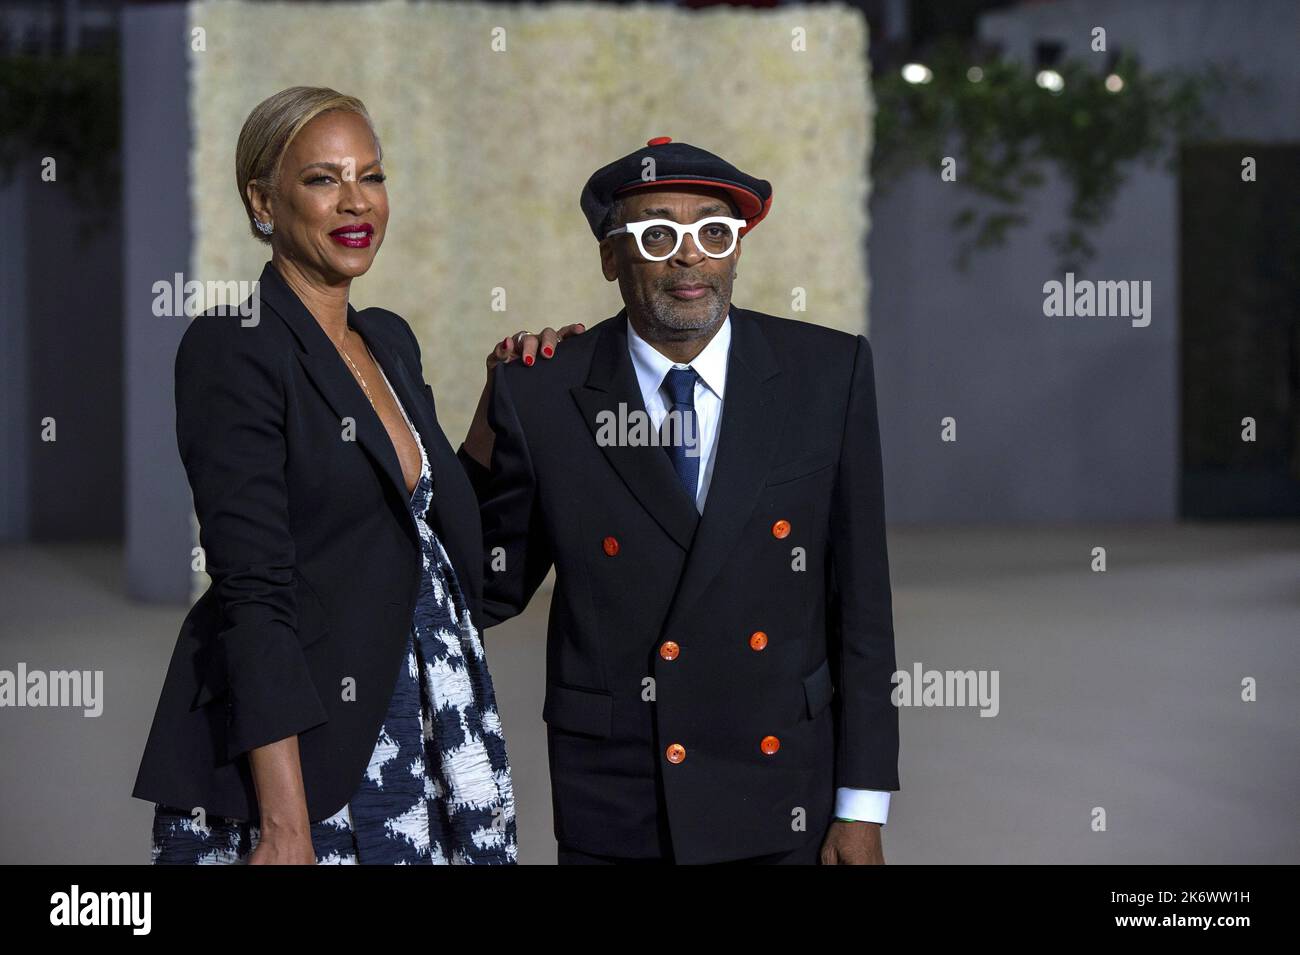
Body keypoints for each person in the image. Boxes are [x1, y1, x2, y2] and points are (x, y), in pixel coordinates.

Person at [458, 137, 900, 864]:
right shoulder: (543, 390)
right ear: (610, 258)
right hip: (619, 794)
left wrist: (861, 806)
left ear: (735, 251)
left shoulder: (827, 372)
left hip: (785, 785)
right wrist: (488, 418)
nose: (689, 256)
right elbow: (480, 586)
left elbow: (862, 607)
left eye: (713, 232)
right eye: (657, 232)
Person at [132, 87, 515, 864]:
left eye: (371, 176)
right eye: (323, 179)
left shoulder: (388, 340)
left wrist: (504, 397)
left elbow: (423, 525)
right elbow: (253, 589)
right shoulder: (235, 345)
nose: (356, 202)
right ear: (262, 198)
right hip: (316, 754)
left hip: (438, 725)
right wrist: (285, 822)